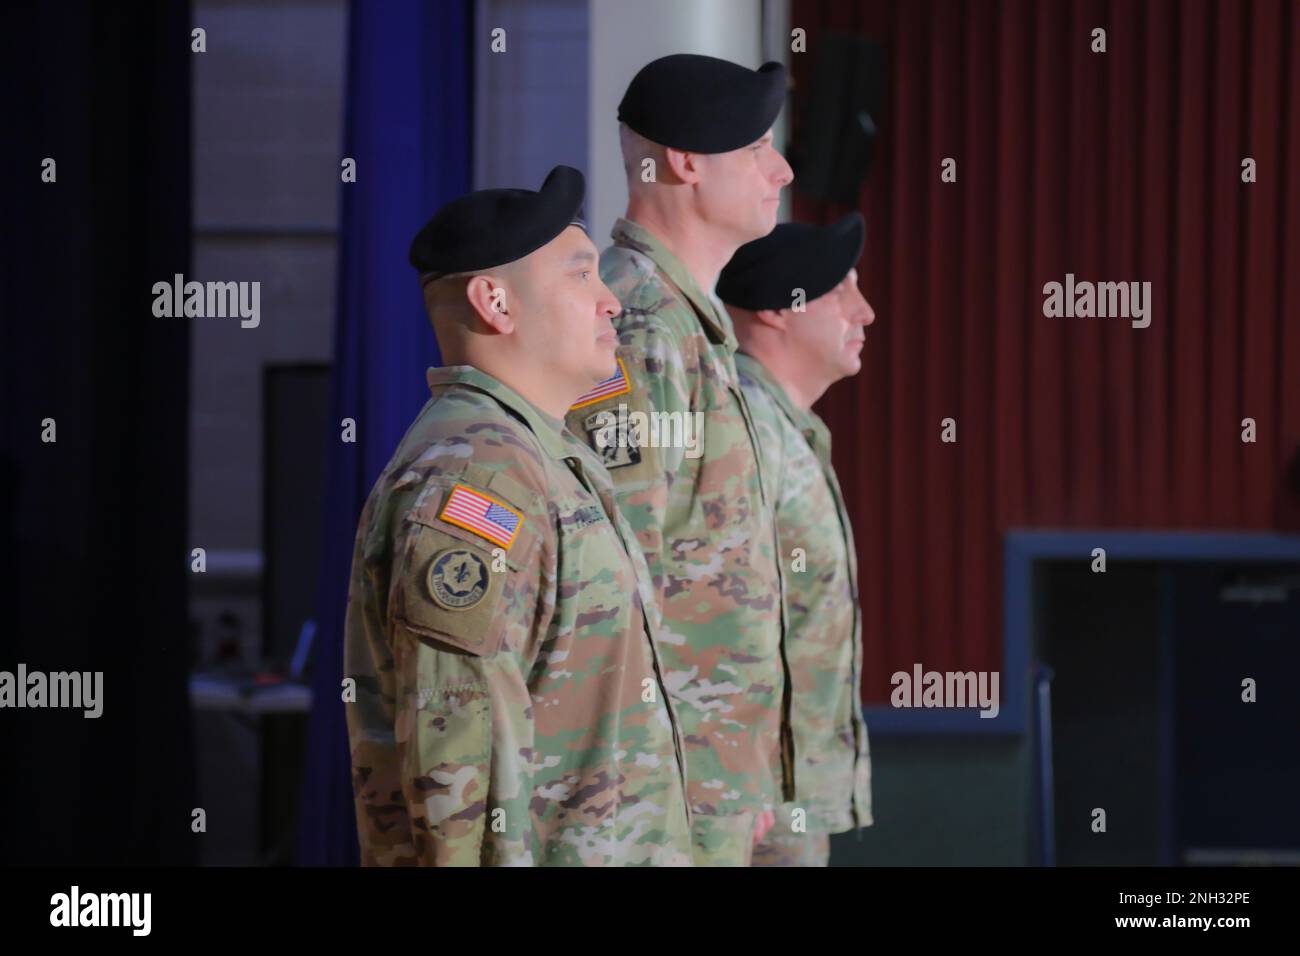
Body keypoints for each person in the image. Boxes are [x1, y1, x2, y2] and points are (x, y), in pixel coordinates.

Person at [344, 165, 692, 866]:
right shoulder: (478, 479)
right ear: (495, 302)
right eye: (581, 275)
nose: (610, 303)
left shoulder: (540, 456)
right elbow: (460, 759)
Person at [565, 54, 794, 865]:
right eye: (758, 147)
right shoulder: (638, 329)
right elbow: (621, 578)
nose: (781, 170)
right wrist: (684, 780)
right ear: (688, 163)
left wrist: (736, 765)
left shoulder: (683, 325)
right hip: (661, 796)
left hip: (707, 774)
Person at [715, 213, 876, 866]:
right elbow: (709, 609)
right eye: (841, 291)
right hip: (750, 797)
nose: (864, 313)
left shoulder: (786, 432)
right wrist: (736, 773)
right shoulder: (745, 433)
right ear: (779, 310)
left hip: (784, 789)